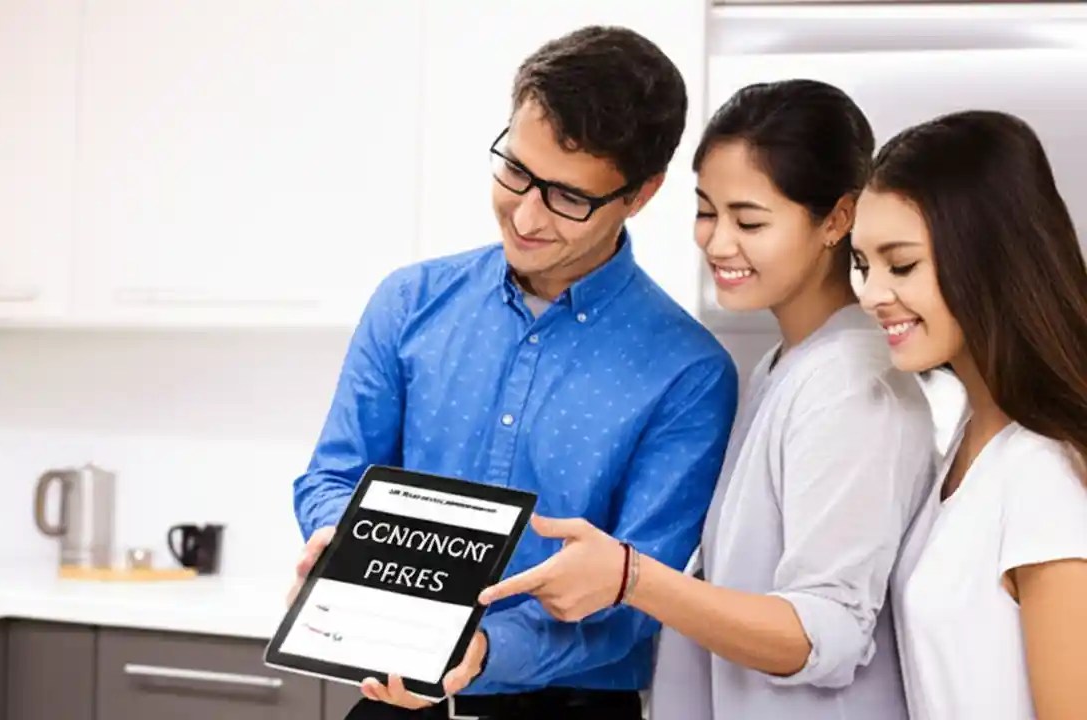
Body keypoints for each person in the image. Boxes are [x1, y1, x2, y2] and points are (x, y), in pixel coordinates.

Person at [289, 26, 738, 720]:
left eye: (567, 197)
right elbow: (333, 477)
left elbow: (639, 601)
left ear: (641, 194)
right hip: (394, 701)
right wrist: (332, 540)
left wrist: (485, 647)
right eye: (516, 172)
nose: (525, 215)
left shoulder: (689, 372)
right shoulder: (410, 302)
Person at [479, 80, 937, 719]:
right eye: (705, 211)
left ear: (837, 218)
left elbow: (824, 634)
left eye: (749, 220)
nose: (719, 243)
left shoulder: (851, 387)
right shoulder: (788, 366)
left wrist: (630, 578)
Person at [850, 110, 1087, 720]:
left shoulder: (1045, 474)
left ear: (987, 259)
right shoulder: (965, 437)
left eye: (900, 265)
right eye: (862, 264)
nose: (873, 293)